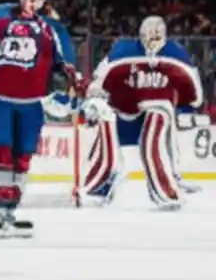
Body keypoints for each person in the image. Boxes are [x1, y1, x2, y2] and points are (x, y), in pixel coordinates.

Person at [0, 0, 83, 234]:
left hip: (31, 101)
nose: (34, 3)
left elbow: (65, 59)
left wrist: (72, 77)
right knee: (0, 148)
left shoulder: (49, 26)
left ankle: (12, 203)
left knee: (23, 151)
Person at [81, 16, 204, 209]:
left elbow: (193, 88)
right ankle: (101, 182)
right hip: (123, 106)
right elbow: (100, 78)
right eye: (148, 36)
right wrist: (93, 98)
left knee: (154, 133)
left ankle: (166, 188)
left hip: (157, 106)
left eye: (156, 36)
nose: (151, 41)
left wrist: (190, 108)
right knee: (104, 115)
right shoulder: (124, 51)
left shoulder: (176, 54)